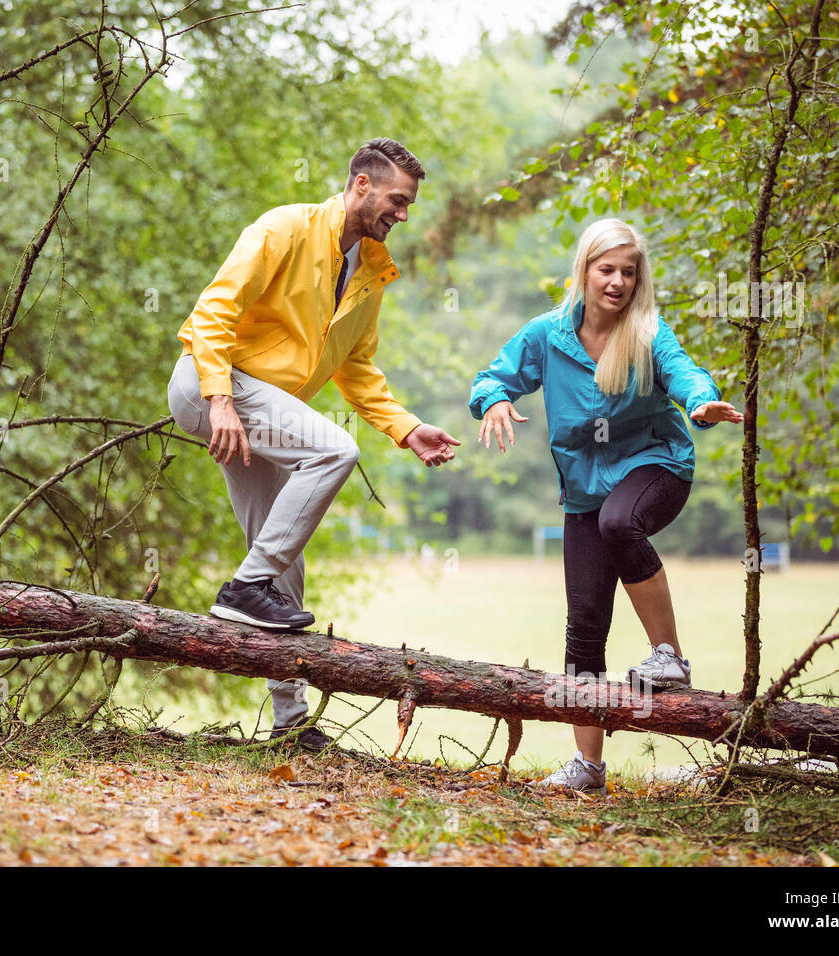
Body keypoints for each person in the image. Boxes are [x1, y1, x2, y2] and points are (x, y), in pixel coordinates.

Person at [168, 138, 460, 750]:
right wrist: (220, 399)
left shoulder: (371, 268)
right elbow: (214, 311)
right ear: (360, 185)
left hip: (257, 407)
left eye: (408, 205)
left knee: (281, 559)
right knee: (333, 451)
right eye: (396, 200)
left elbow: (355, 365)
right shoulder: (286, 228)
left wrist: (405, 428)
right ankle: (243, 590)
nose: (403, 214)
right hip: (210, 385)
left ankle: (290, 721)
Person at [469, 218, 742, 793]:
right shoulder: (547, 335)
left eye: (628, 272)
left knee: (621, 522)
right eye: (607, 269)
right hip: (583, 490)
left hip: (657, 465)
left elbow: (684, 371)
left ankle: (668, 657)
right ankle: (589, 767)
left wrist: (702, 400)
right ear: (585, 271)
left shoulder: (646, 333)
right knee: (584, 626)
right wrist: (493, 400)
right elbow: (492, 377)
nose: (617, 282)